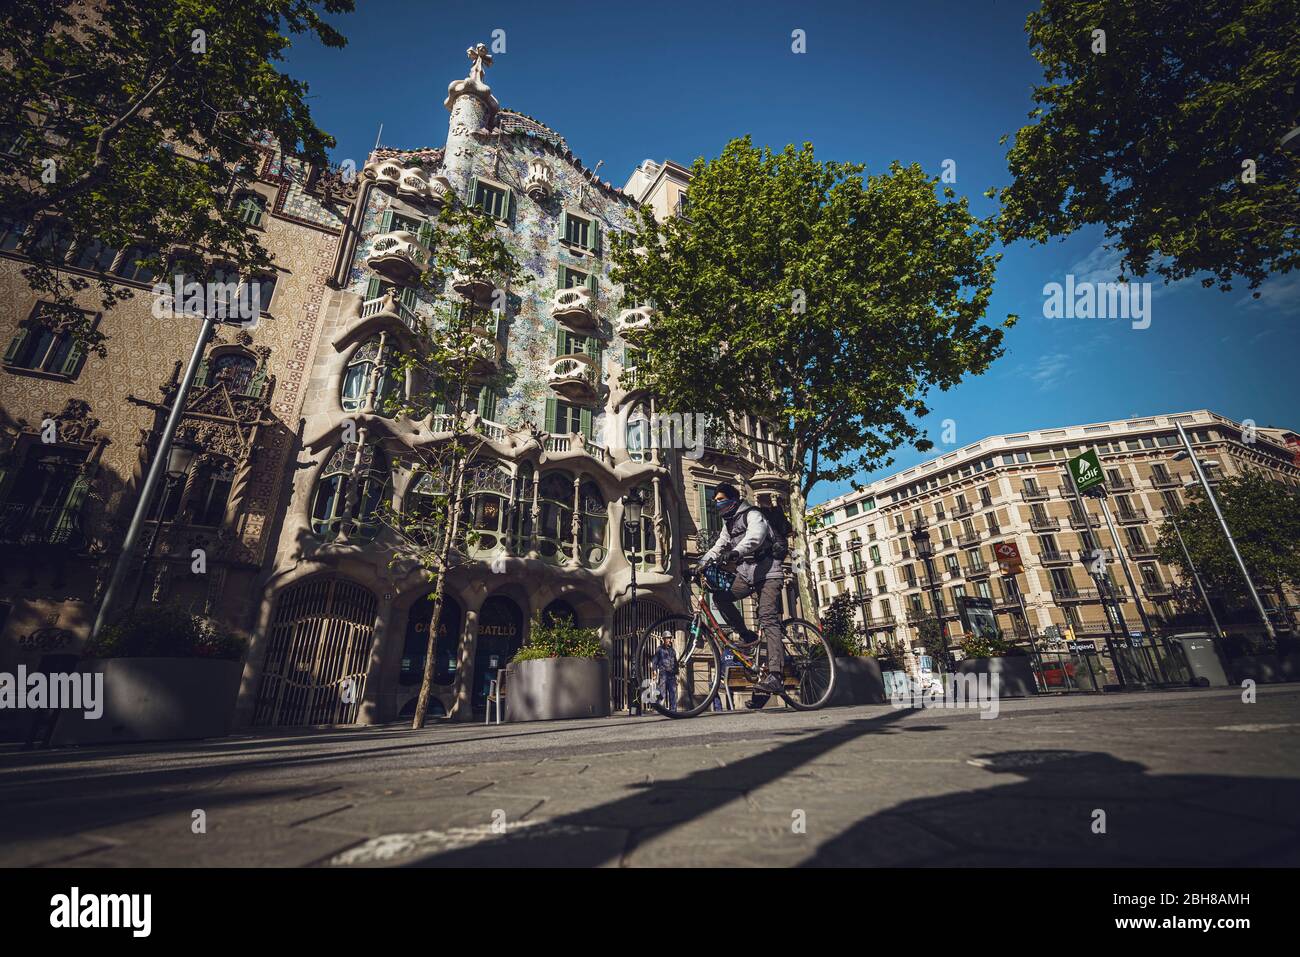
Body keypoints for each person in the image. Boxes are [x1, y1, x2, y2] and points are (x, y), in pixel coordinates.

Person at [694, 483, 787, 706]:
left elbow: (755, 537)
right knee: (720, 597)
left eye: (720, 499)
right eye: (715, 500)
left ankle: (775, 675)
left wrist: (736, 552)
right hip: (746, 575)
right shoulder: (729, 523)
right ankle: (747, 636)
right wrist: (699, 564)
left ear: (733, 500)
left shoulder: (752, 514)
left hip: (769, 572)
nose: (717, 503)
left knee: (767, 618)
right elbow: (718, 546)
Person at [650, 634, 678, 710]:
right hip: (663, 674)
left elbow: (675, 662)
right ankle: (661, 709)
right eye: (667, 638)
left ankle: (673, 710)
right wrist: (654, 671)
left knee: (673, 692)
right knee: (662, 692)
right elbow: (655, 660)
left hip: (672, 674)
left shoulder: (672, 650)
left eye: (670, 638)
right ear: (663, 639)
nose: (669, 640)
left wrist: (677, 674)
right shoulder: (659, 649)